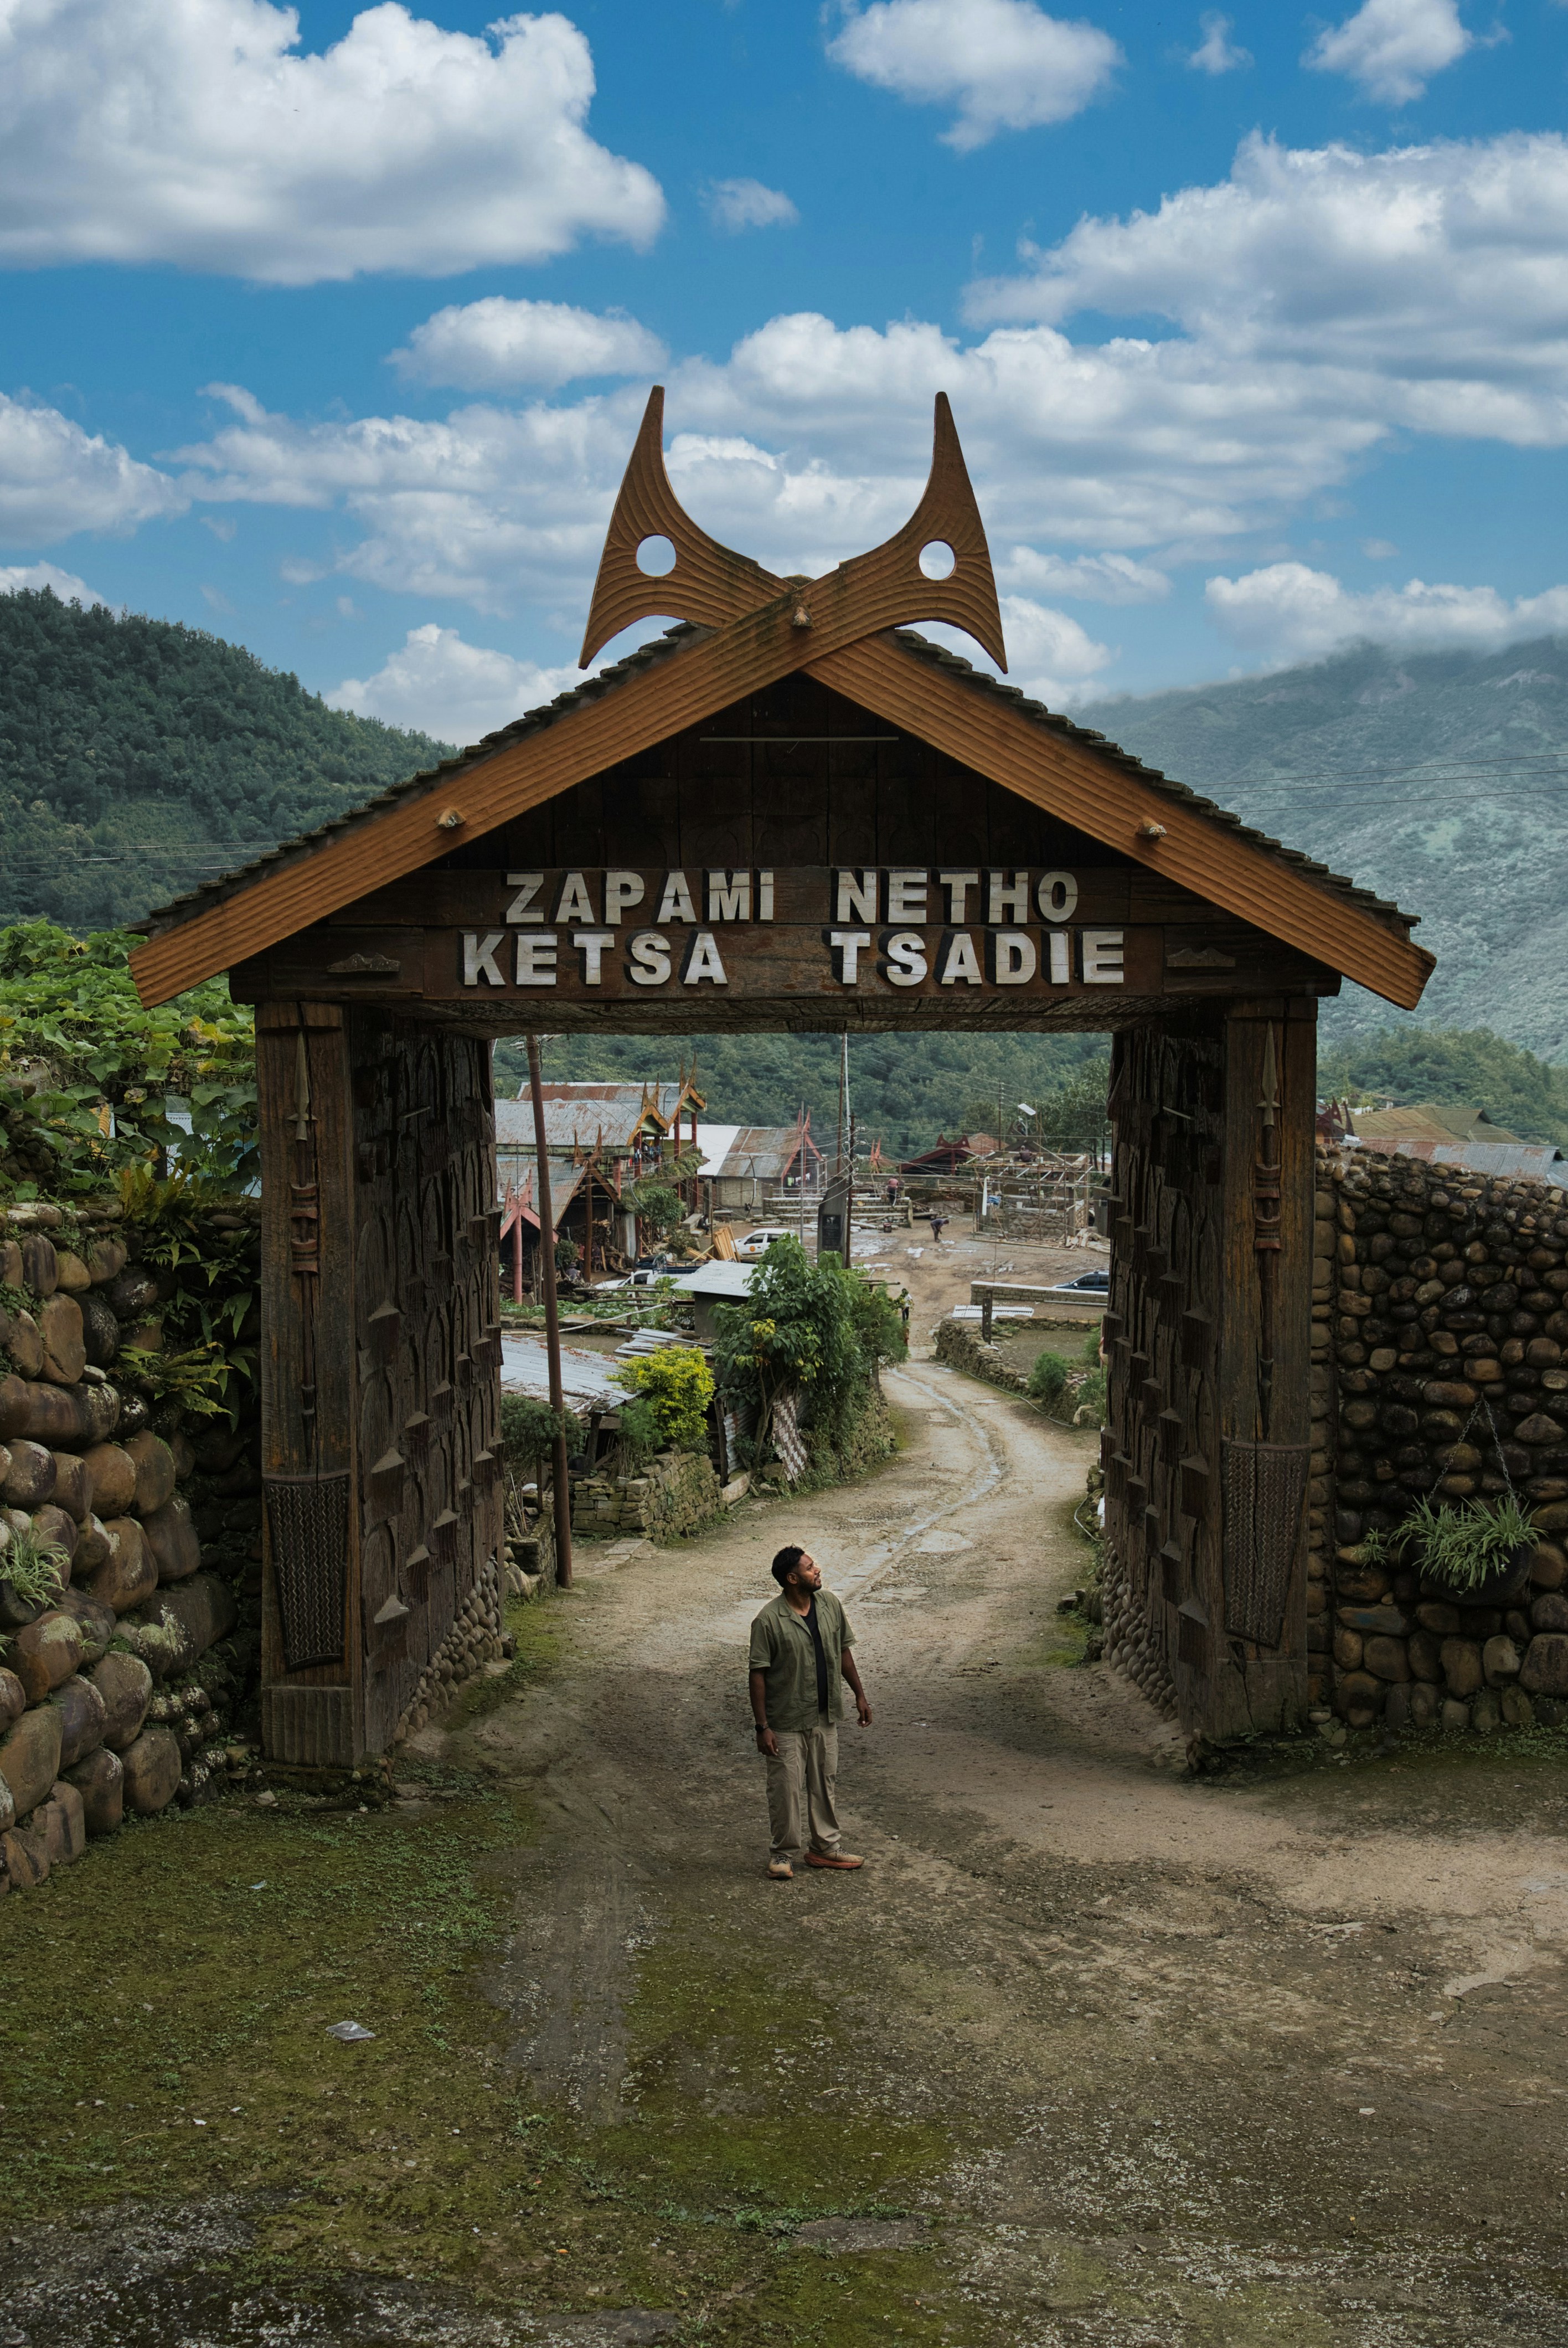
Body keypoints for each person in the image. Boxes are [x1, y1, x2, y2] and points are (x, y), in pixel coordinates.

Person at [749, 1544, 871, 1880]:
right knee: (785, 1788)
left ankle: (826, 1849)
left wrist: (859, 1694)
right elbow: (757, 1673)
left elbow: (844, 1651)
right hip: (785, 1720)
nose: (817, 1570)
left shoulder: (830, 1604)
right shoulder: (769, 1621)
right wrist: (763, 1727)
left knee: (823, 1782)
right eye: (809, 1567)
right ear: (792, 1579)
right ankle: (782, 1854)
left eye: (814, 1564)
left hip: (824, 1715)